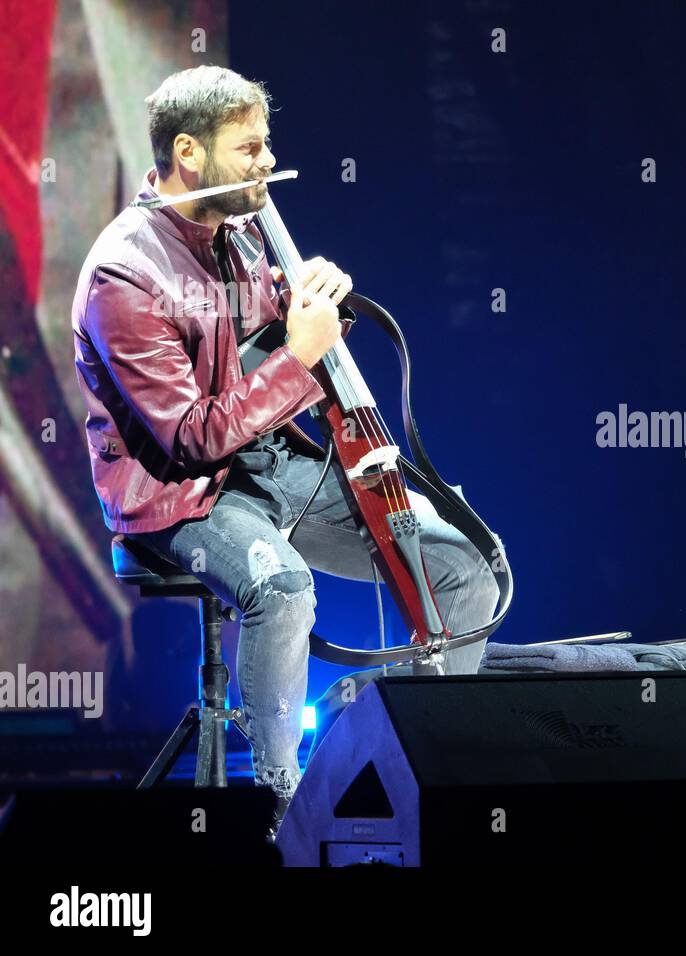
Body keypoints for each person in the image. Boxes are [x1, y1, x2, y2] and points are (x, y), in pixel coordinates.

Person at [71, 66, 498, 834]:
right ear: (189, 155)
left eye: (268, 144)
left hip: (268, 463)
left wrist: (312, 301)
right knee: (285, 589)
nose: (269, 161)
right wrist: (299, 358)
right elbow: (192, 436)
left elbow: (276, 328)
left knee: (462, 561)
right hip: (181, 495)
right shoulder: (123, 275)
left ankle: (426, 766)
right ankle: (284, 804)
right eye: (251, 148)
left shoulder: (233, 231)